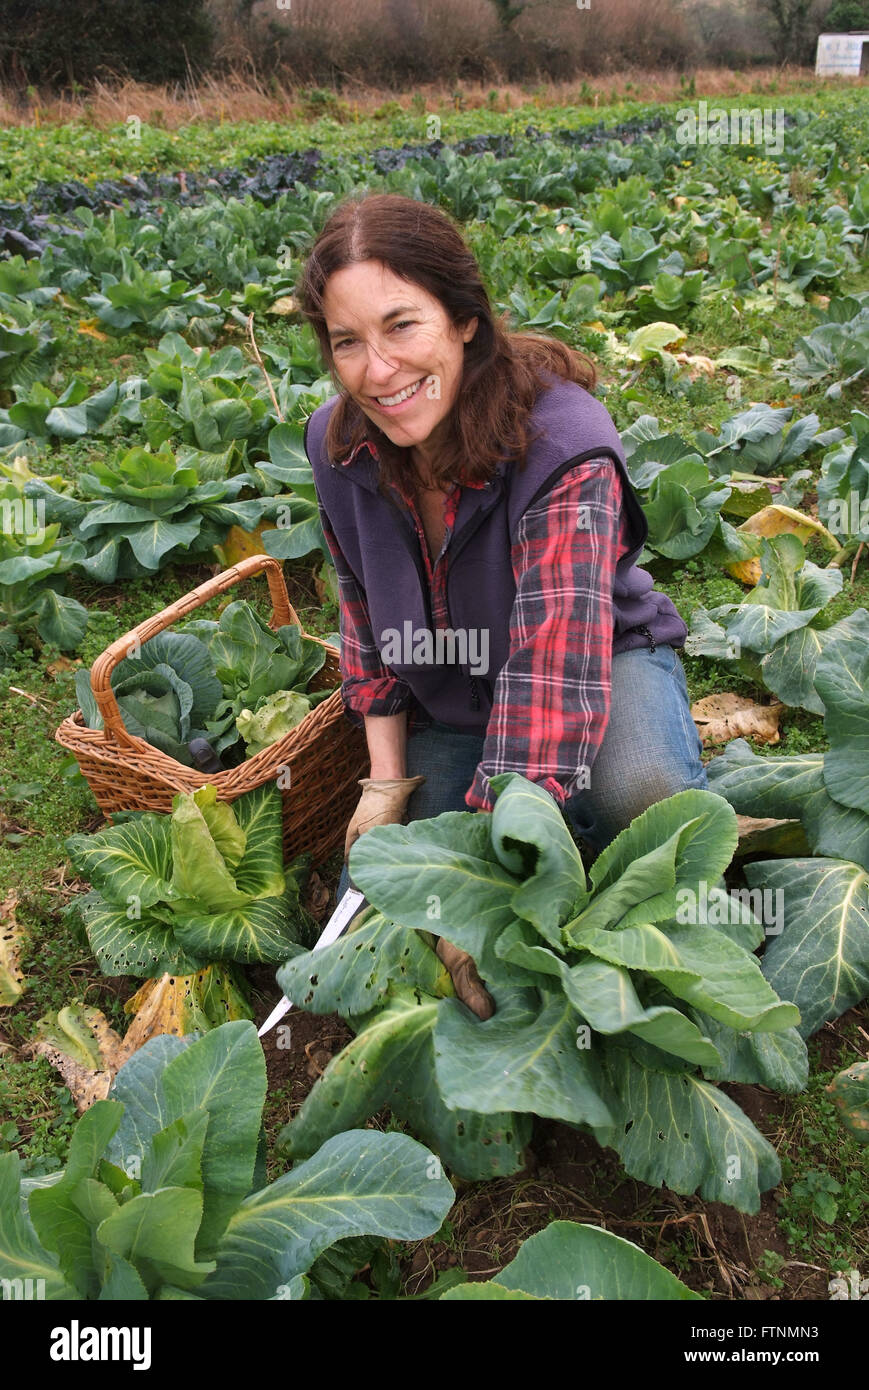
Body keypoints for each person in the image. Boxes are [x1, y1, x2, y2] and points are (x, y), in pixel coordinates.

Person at [298, 192, 707, 1018]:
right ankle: (555, 823)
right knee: (381, 900)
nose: (377, 371)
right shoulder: (336, 444)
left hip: (595, 662)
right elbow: (362, 618)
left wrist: (490, 875)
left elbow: (551, 676)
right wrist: (384, 784)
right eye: (348, 342)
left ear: (464, 321)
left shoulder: (563, 444)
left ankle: (600, 803)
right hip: (451, 696)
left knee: (643, 795)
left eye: (402, 325)